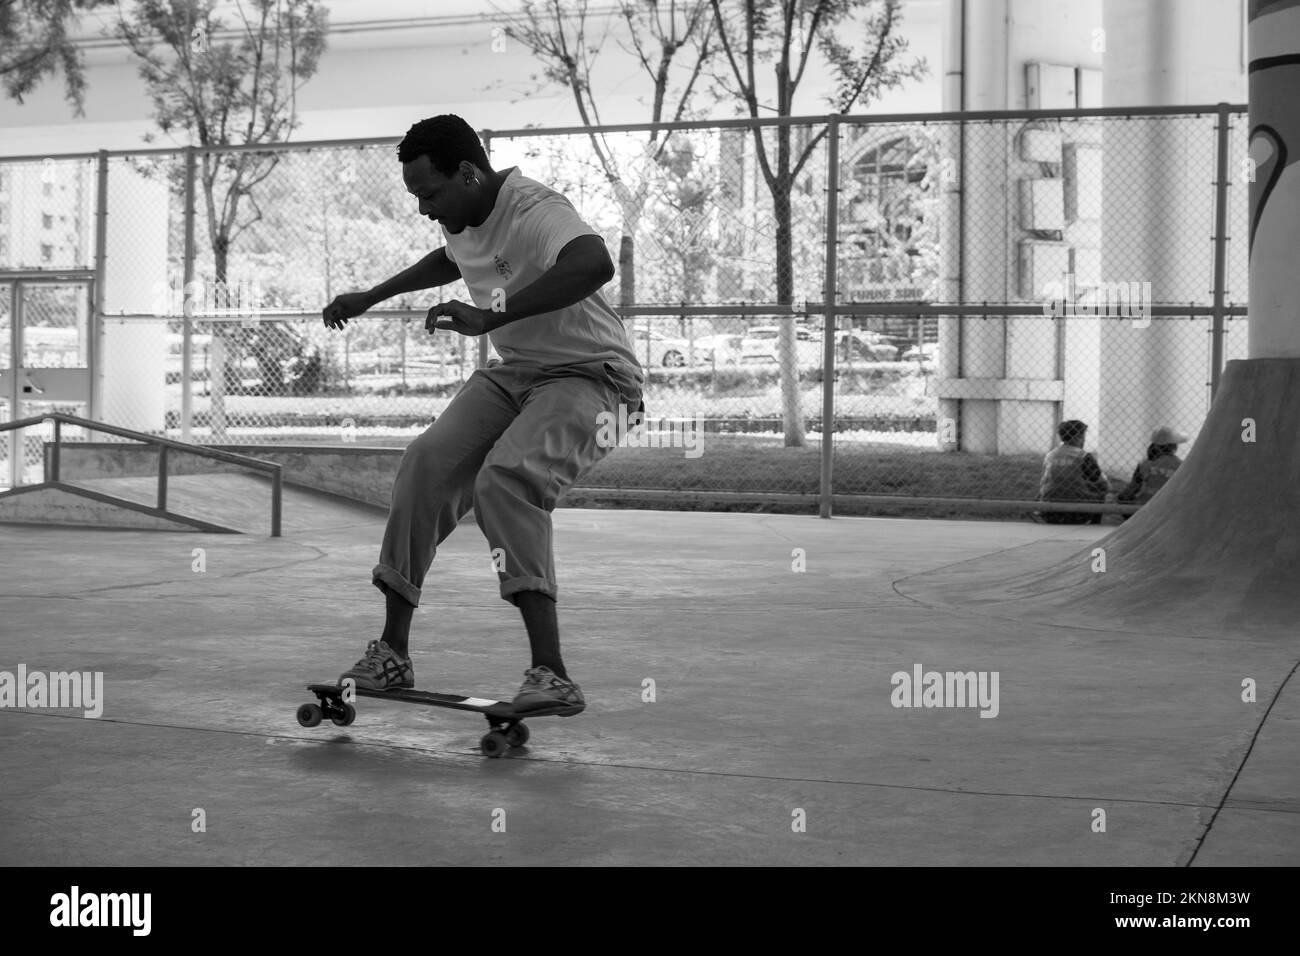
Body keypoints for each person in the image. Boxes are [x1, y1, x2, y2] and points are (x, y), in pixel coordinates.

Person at [321, 115, 644, 714]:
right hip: (517, 374)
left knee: (505, 479)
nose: (425, 209)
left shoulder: (534, 208)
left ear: (469, 173)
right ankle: (391, 652)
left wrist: (492, 318)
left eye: (431, 195)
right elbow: (450, 259)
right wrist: (371, 296)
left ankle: (552, 674)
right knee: (424, 464)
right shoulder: (464, 217)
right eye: (417, 198)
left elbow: (594, 264)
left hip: (594, 377)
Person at [1036, 419, 1111, 524]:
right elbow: (1104, 484)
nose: (1084, 440)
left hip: (1048, 511)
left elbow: (1044, 481)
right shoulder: (1083, 456)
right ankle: (1095, 525)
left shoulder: (1050, 455)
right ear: (1077, 437)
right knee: (1101, 492)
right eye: (1083, 437)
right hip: (1077, 513)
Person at [1117, 426, 1188, 506]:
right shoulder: (1181, 465)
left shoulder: (1145, 464)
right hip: (1169, 505)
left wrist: (1120, 497)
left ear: (1155, 445)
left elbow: (1132, 488)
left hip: (1143, 506)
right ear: (1174, 446)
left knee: (1122, 499)